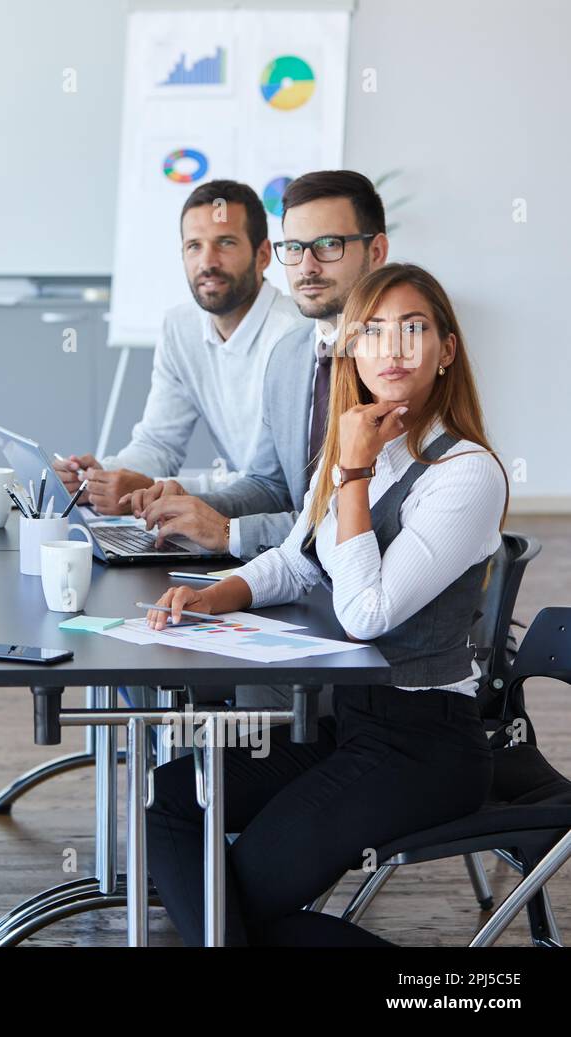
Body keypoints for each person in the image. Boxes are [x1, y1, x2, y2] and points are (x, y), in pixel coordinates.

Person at [142, 263, 507, 946]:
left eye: (413, 328)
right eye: (372, 331)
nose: (392, 349)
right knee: (168, 796)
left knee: (235, 897)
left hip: (424, 742)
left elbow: (368, 610)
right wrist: (214, 594)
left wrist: (357, 477)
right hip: (345, 720)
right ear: (351, 350)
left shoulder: (466, 474)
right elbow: (296, 555)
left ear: (446, 350)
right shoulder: (354, 443)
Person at [127, 171, 390, 558]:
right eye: (296, 248)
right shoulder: (289, 355)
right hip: (293, 579)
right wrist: (193, 505)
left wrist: (229, 532)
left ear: (377, 252)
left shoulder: (399, 362)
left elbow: (369, 522)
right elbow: (271, 487)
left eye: (329, 245)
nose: (308, 266)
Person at [53, 179, 306, 514]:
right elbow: (159, 443)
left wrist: (155, 491)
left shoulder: (295, 336)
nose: (208, 262)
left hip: (274, 527)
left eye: (225, 243)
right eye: (194, 246)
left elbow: (272, 485)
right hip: (229, 516)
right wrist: (102, 477)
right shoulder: (180, 327)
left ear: (262, 255)